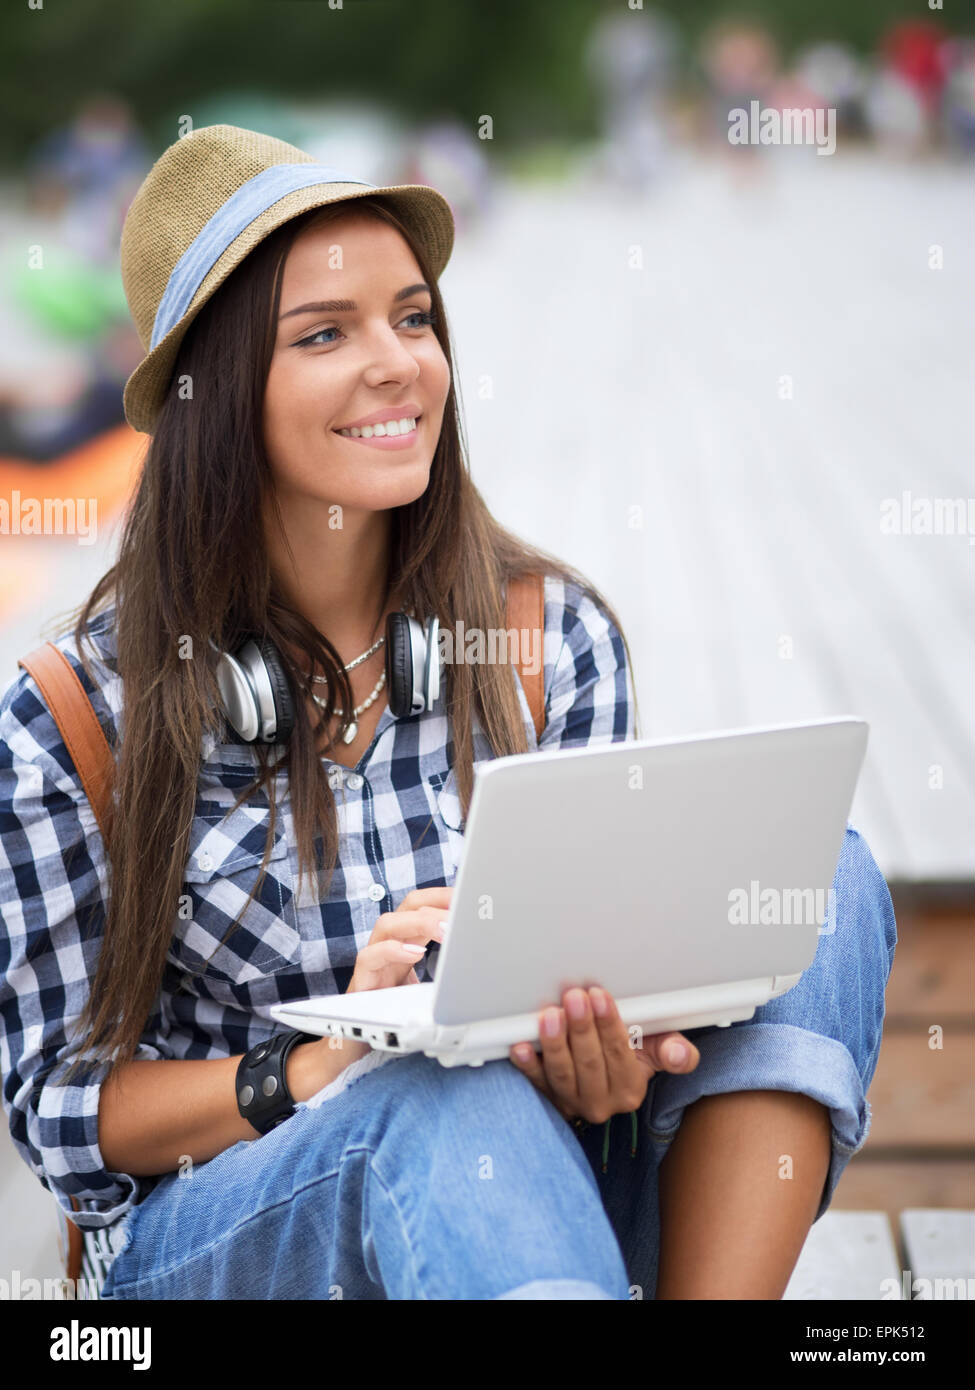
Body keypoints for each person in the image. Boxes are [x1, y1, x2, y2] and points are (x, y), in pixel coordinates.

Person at [0, 125, 896, 1301]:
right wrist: (326, 1064)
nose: (398, 364)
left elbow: (608, 1030)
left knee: (820, 874)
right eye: (325, 332)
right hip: (240, 1235)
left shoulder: (548, 637)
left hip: (541, 1205)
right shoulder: (68, 715)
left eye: (413, 317)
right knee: (428, 1091)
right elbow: (64, 1109)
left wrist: (602, 1064)